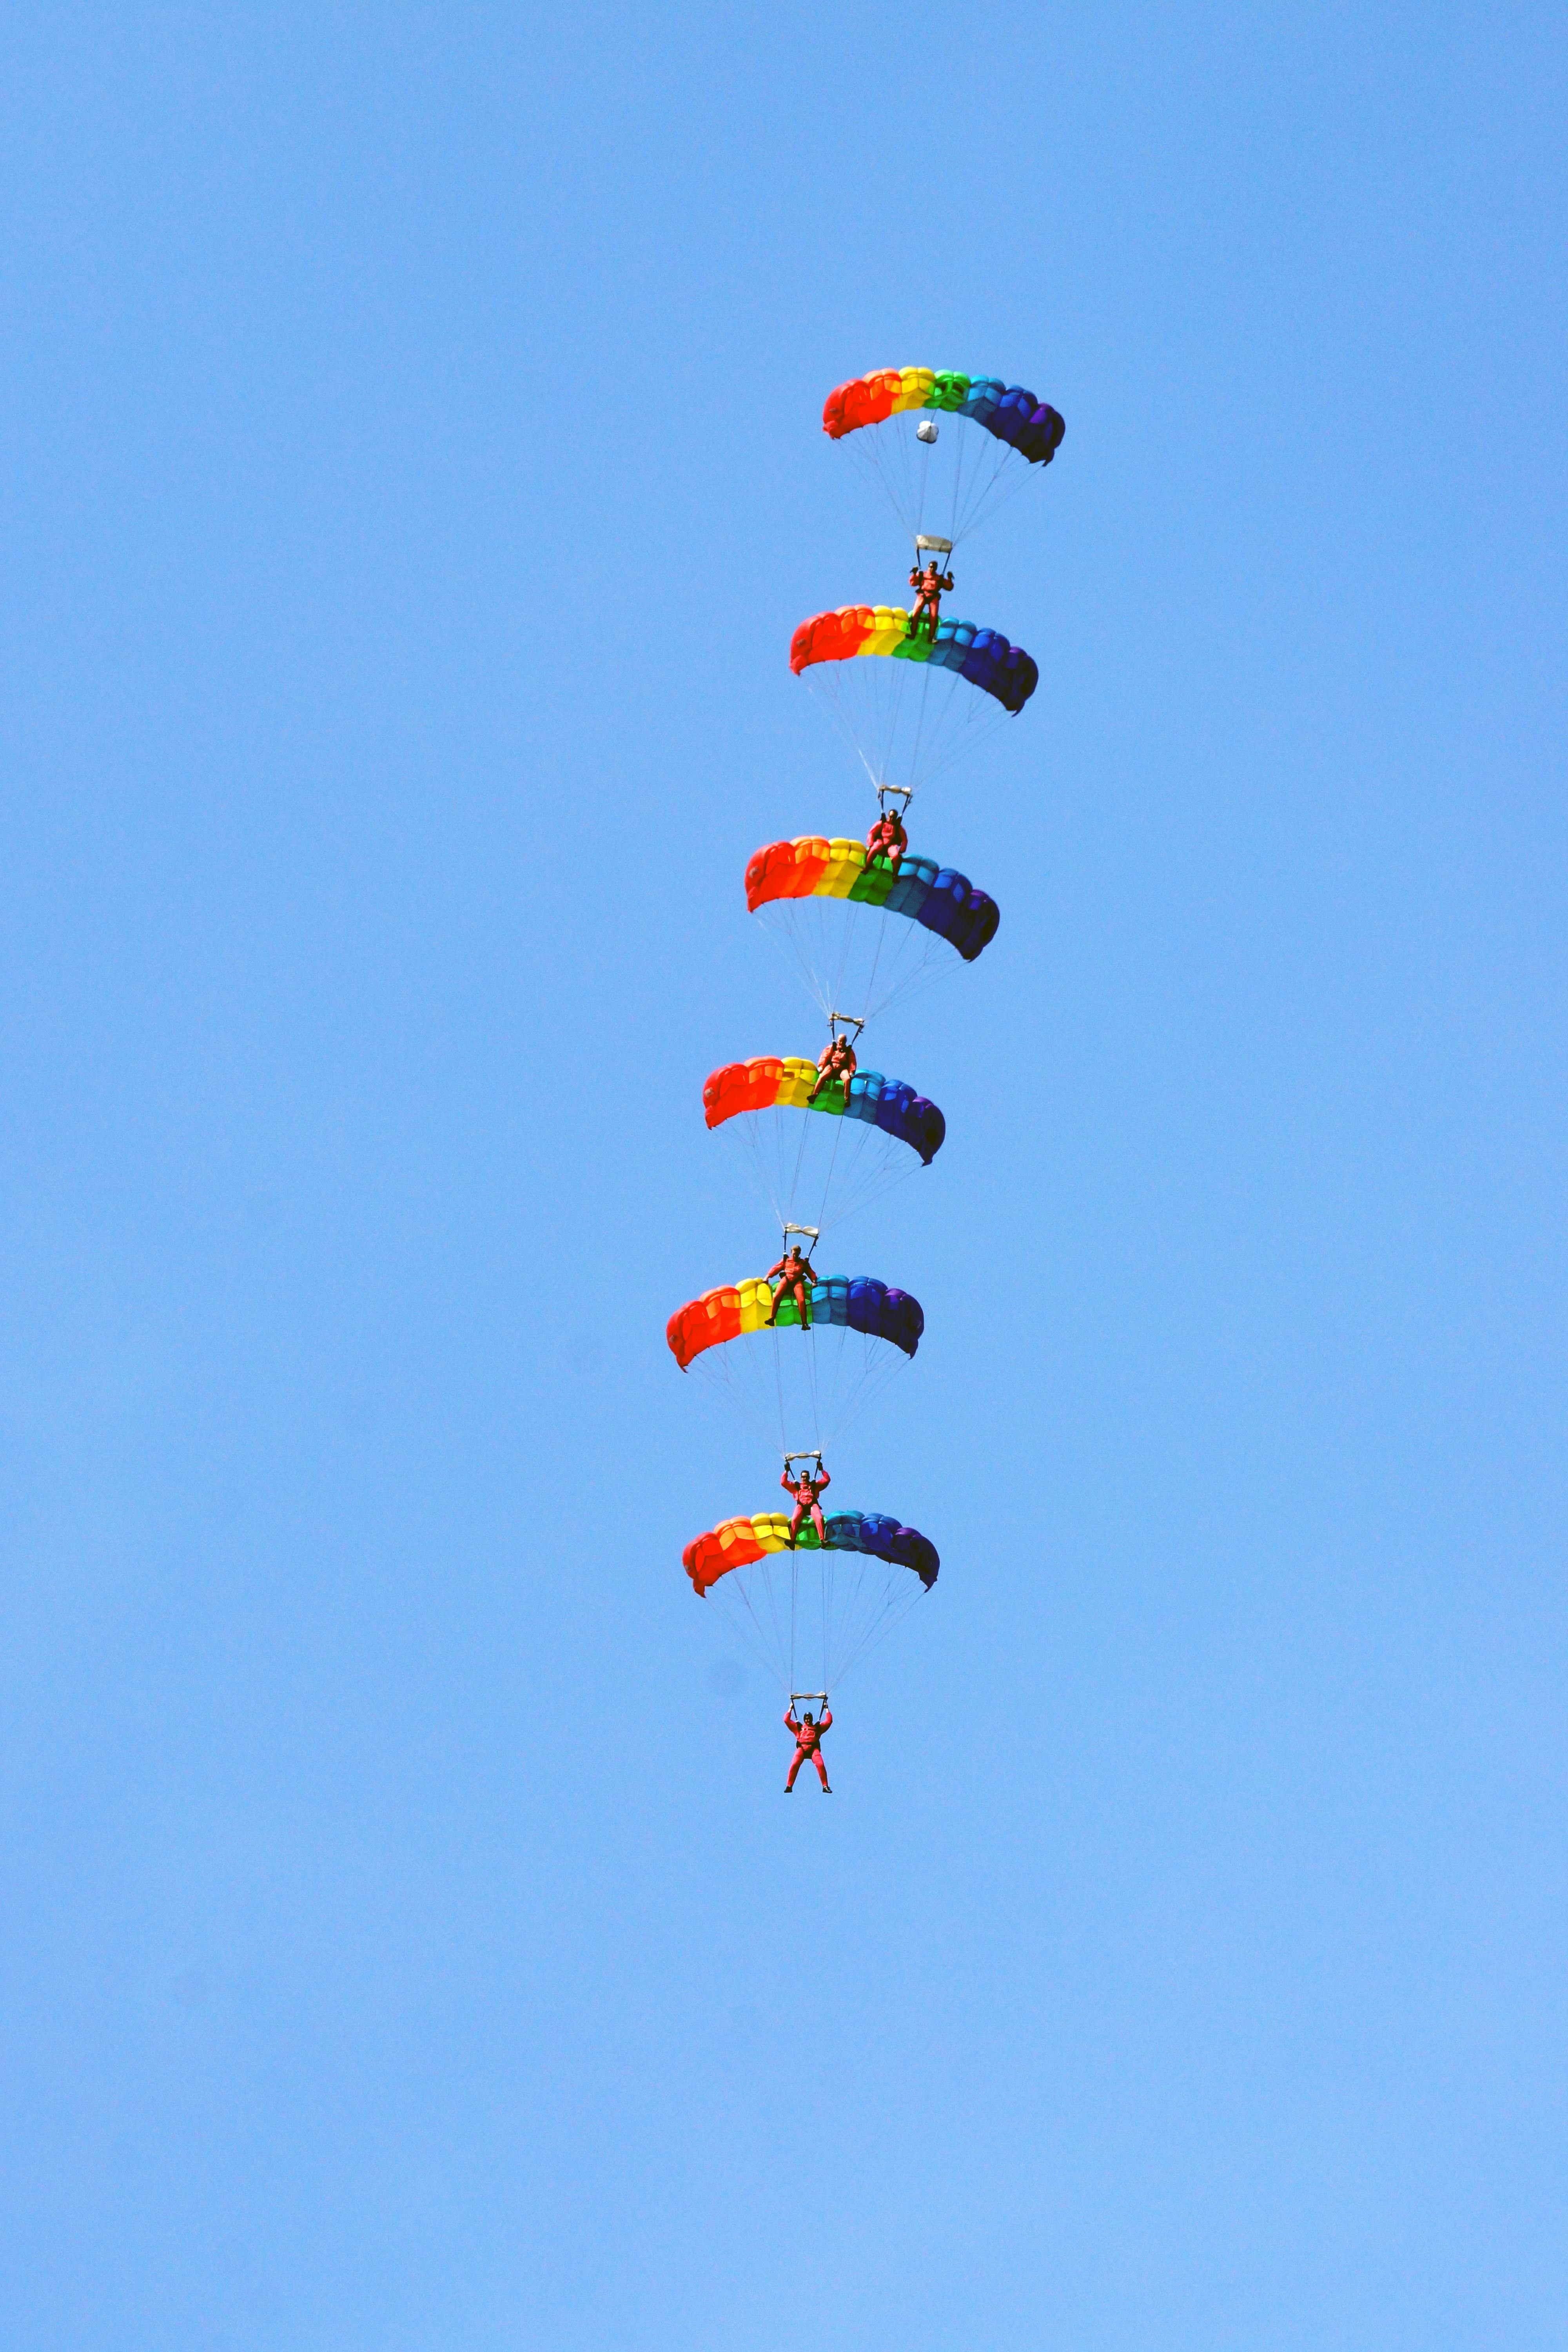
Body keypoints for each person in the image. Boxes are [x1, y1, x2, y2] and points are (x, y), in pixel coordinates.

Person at [764, 1240, 817, 1330]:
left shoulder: (803, 1263)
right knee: (777, 1296)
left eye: (797, 1254)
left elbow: (810, 1272)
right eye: (794, 1254)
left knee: (801, 1301)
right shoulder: (786, 1261)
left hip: (797, 1281)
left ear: (800, 1253)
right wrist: (767, 1277)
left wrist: (814, 1281)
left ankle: (804, 1324)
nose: (795, 1256)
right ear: (792, 1253)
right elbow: (776, 1268)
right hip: (787, 1279)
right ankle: (772, 1318)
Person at [781, 1458, 831, 1547]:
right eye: (803, 1477)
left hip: (813, 1505)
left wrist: (821, 1469)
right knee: (795, 1519)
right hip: (801, 1506)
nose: (805, 1479)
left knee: (819, 1518)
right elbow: (784, 1482)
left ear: (809, 1477)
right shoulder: (796, 1486)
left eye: (807, 1477)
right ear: (801, 1478)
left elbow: (827, 1480)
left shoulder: (814, 1485)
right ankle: (792, 1541)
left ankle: (823, 1540)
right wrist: (786, 1471)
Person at [784, 1703, 833, 1792]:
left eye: (809, 1718)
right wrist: (790, 1709)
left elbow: (829, 1722)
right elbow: (786, 1720)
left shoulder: (817, 1728)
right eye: (806, 1719)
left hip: (813, 1749)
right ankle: (789, 1786)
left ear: (812, 1719)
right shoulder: (799, 1728)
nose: (808, 1720)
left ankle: (825, 1786)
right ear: (804, 1720)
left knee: (821, 1765)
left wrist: (827, 1709)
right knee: (794, 1765)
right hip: (802, 1749)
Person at [907, 558, 953, 642]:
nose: (932, 569)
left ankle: (932, 637)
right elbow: (913, 583)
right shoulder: (922, 575)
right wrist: (914, 573)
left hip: (934, 596)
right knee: (916, 613)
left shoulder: (939, 578)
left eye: (934, 568)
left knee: (933, 616)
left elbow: (949, 587)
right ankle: (912, 633)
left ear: (936, 569)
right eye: (931, 567)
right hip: (923, 595)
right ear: (928, 567)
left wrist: (950, 579)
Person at [807, 1028, 857, 1104]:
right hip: (832, 1067)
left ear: (845, 1042)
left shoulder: (849, 1051)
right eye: (840, 1041)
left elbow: (852, 1062)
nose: (841, 1043)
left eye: (843, 1041)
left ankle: (847, 1100)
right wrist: (821, 1066)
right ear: (838, 1040)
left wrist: (852, 1071)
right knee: (822, 1077)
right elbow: (825, 1056)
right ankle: (814, 1095)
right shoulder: (833, 1047)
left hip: (842, 1069)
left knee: (847, 1079)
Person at [865, 804, 907, 875]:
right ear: (889, 816)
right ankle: (867, 867)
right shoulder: (881, 823)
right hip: (880, 842)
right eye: (891, 817)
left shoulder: (899, 828)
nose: (892, 819)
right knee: (875, 848)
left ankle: (895, 874)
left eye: (894, 818)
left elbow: (904, 839)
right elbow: (872, 833)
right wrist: (871, 842)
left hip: (891, 845)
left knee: (896, 855)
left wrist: (902, 849)